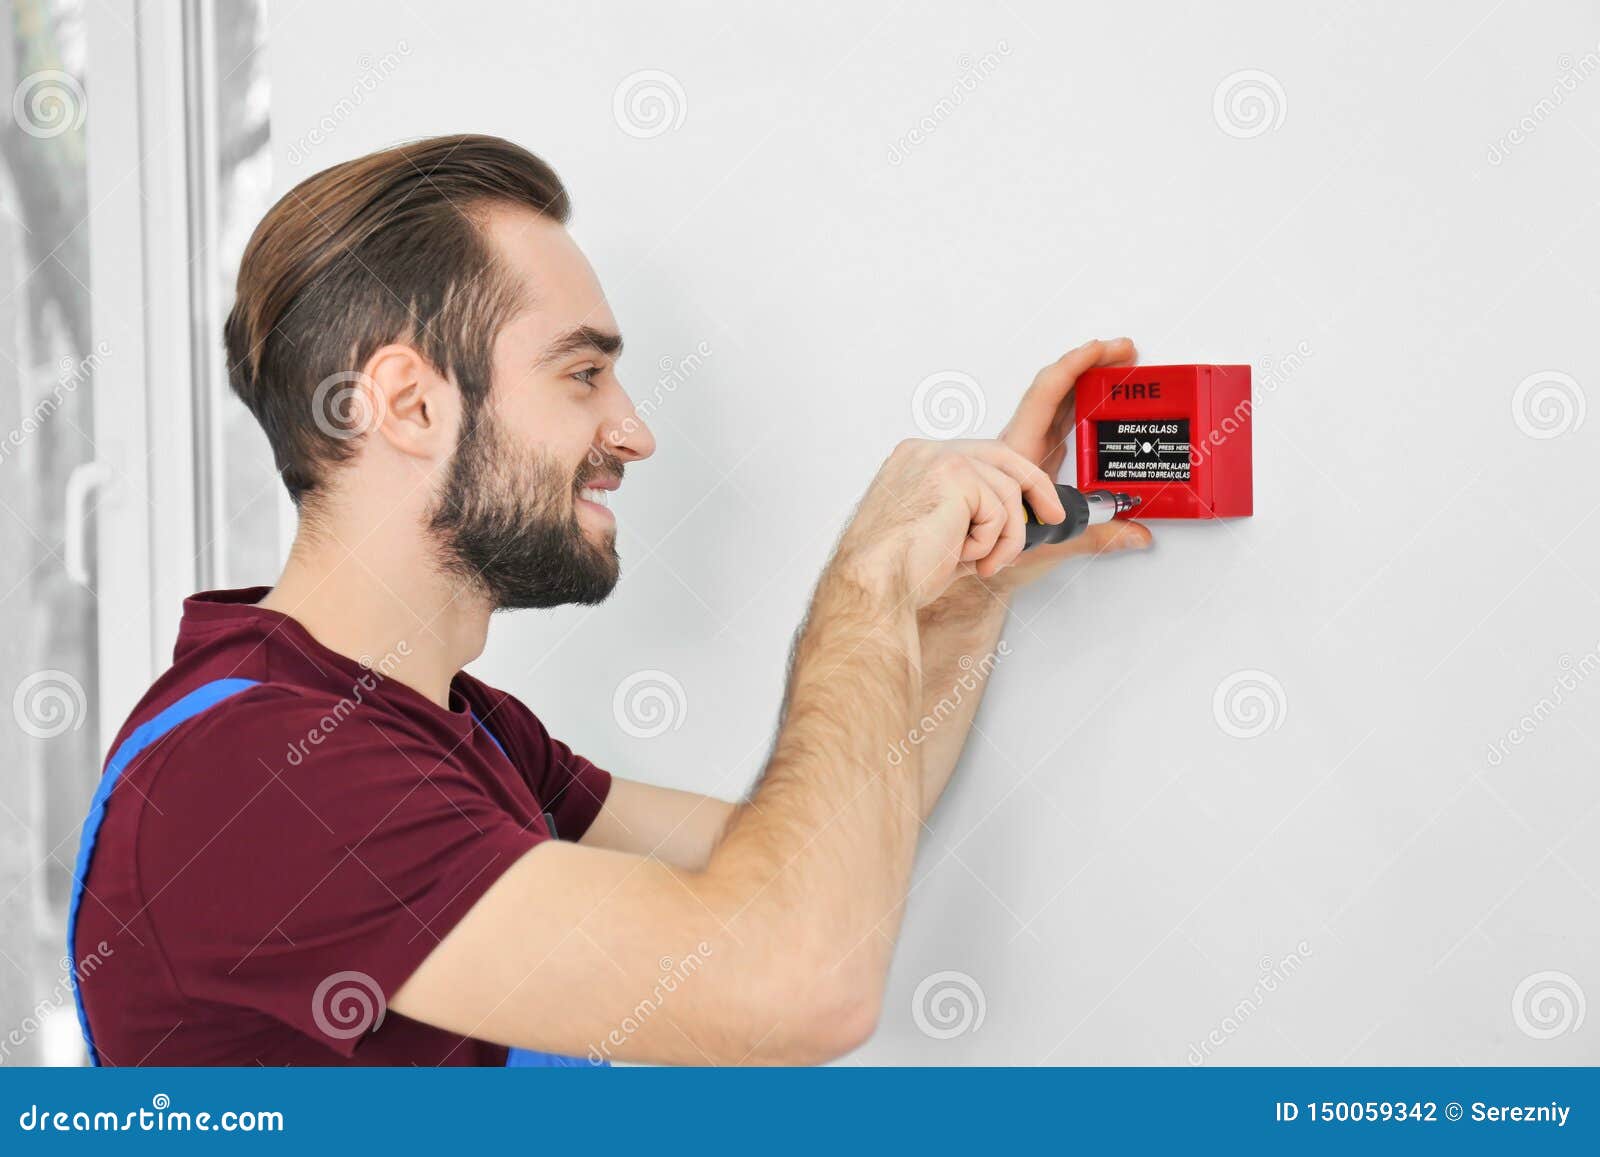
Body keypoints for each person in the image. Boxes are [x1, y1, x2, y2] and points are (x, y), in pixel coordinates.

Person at [70, 134, 1151, 1066]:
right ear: (408, 403)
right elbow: (795, 977)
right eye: (582, 374)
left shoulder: (454, 729)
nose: (635, 431)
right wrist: (861, 588)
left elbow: (828, 854)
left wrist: (957, 600)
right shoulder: (258, 772)